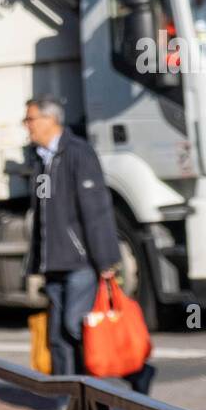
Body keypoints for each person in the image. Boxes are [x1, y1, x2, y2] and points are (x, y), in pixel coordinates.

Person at [25, 96, 122, 377]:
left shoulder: (78, 153)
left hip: (80, 260)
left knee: (75, 325)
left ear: (50, 120)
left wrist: (106, 260)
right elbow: (41, 216)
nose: (27, 126)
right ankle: (66, 399)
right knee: (57, 335)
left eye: (31, 119)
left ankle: (115, 380)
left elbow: (96, 210)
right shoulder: (41, 158)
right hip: (53, 261)